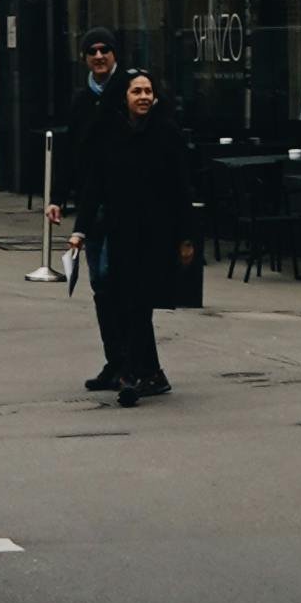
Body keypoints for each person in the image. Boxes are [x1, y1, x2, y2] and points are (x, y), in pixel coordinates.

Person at [90, 71, 195, 406]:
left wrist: (186, 237)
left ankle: (135, 374)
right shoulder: (114, 134)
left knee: (139, 305)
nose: (144, 97)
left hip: (157, 234)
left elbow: (182, 187)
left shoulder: (166, 132)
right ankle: (151, 372)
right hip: (122, 233)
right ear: (125, 97)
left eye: (149, 91)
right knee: (128, 305)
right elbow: (99, 184)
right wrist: (82, 227)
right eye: (137, 91)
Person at [56, 33, 123, 382]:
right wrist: (56, 197)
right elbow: (71, 151)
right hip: (90, 206)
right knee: (100, 285)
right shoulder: (82, 101)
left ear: (114, 55)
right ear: (84, 58)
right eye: (92, 51)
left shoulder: (128, 91)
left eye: (104, 50)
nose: (98, 56)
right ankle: (114, 362)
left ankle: (133, 363)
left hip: (123, 205)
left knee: (117, 282)